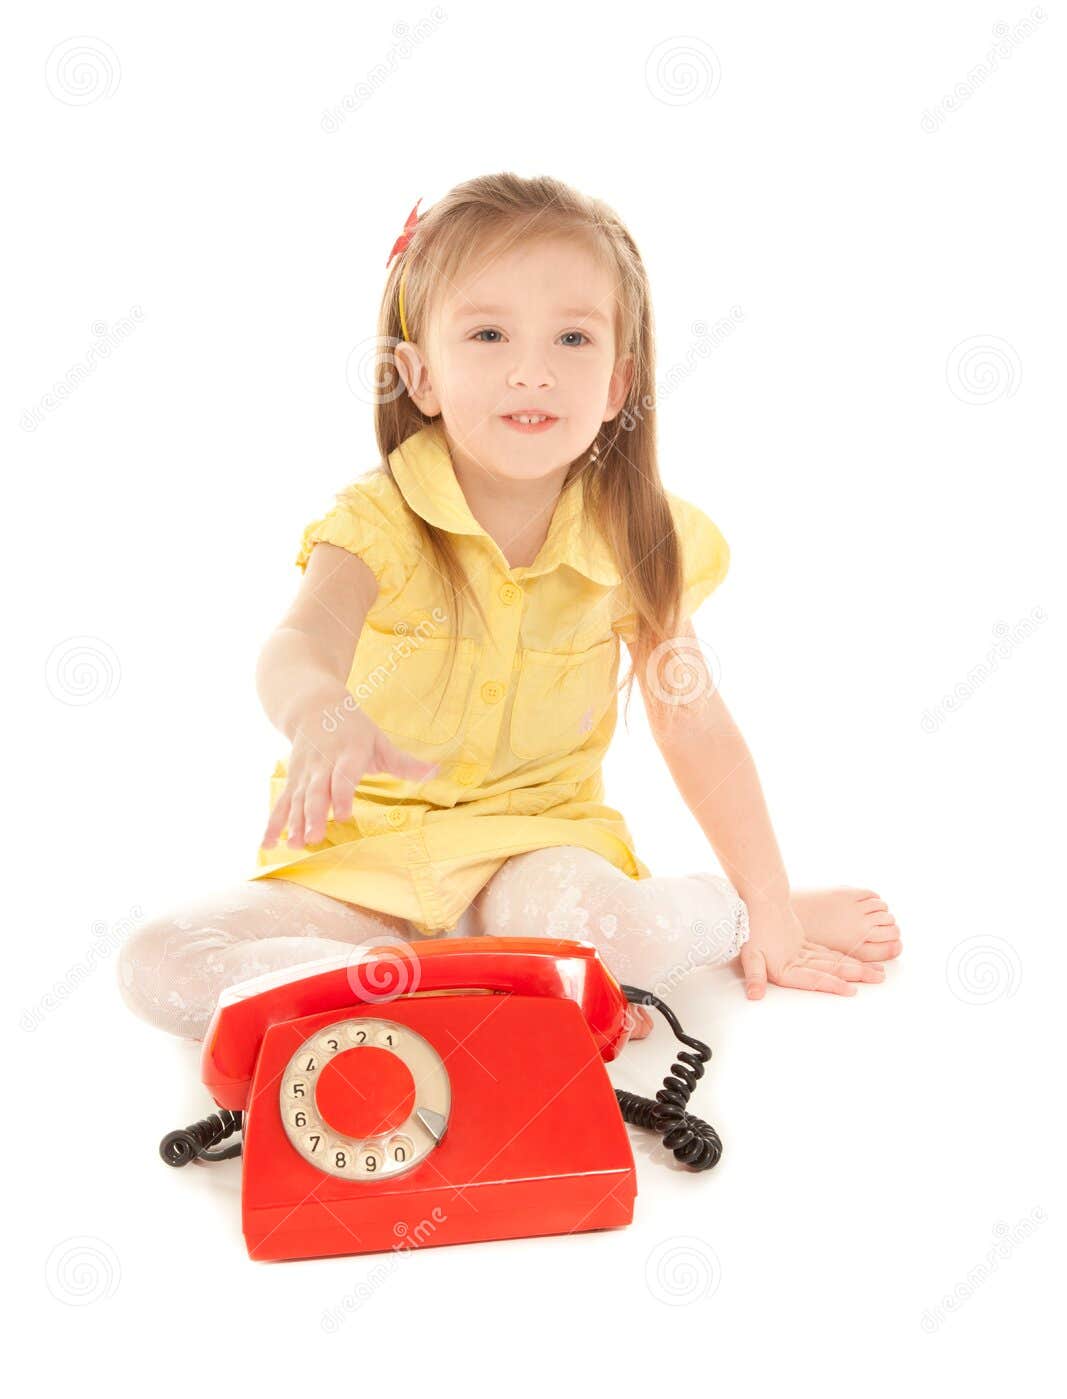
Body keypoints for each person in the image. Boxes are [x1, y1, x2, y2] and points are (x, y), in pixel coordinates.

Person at [117, 173, 901, 1046]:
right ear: (419, 376)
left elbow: (694, 725)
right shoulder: (376, 522)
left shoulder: (638, 538)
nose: (532, 370)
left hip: (537, 860)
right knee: (160, 962)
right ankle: (501, 988)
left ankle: (716, 923)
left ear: (615, 383)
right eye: (488, 334)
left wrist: (766, 906)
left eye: (572, 337)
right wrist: (319, 712)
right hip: (358, 876)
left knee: (625, 935)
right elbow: (299, 641)